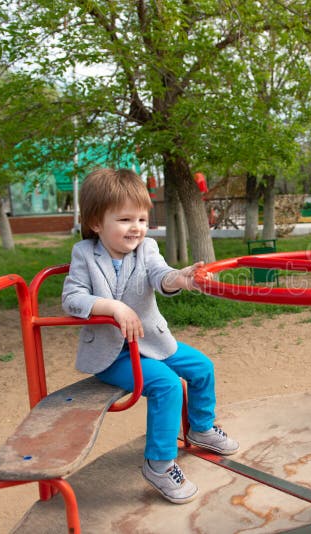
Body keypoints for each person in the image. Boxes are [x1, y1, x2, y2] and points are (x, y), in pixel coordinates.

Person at [62, 168, 239, 504]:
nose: (137, 228)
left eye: (142, 219)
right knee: (167, 385)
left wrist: (180, 278)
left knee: (201, 367)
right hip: (114, 355)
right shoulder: (84, 254)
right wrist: (112, 307)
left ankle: (200, 427)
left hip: (154, 342)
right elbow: (72, 298)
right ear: (97, 223)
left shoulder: (147, 249)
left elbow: (160, 276)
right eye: (126, 219)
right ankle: (159, 464)